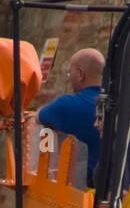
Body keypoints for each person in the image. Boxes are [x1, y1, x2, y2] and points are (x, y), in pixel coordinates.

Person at [37, 48, 104, 180]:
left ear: (80, 74)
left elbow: (38, 117)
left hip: (81, 189)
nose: (70, 78)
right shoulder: (121, 107)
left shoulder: (66, 104)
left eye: (70, 73)